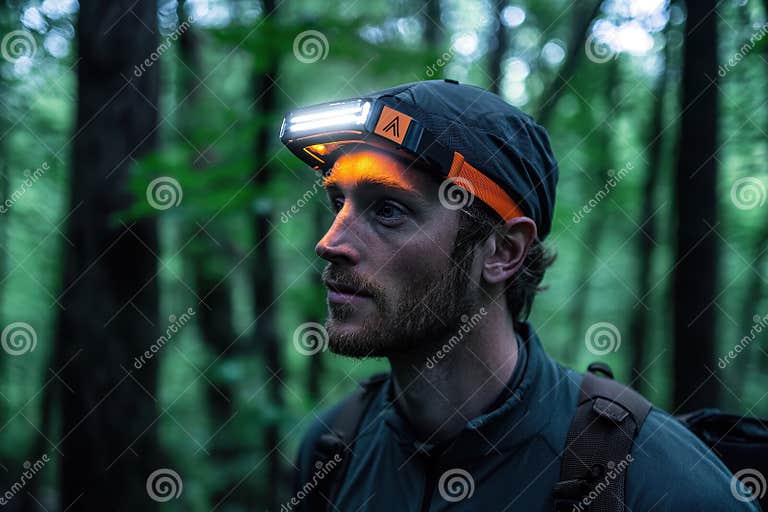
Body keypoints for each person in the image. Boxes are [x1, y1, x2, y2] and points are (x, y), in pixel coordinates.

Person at [279, 80, 760, 511]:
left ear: (503, 251)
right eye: (338, 202)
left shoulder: (655, 482)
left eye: (388, 210)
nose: (329, 242)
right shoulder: (331, 451)